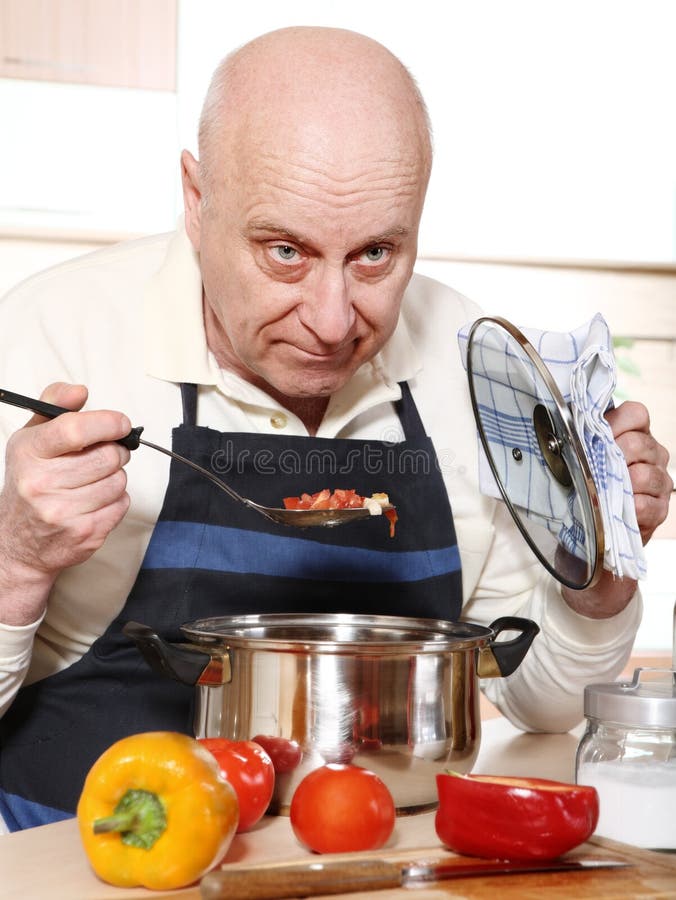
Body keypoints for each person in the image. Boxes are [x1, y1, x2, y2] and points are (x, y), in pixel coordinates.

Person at [0, 26, 671, 832]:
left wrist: (596, 574)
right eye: (285, 251)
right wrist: (16, 560)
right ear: (197, 201)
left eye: (376, 254)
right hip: (90, 858)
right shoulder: (50, 337)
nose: (331, 321)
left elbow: (541, 703)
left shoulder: (468, 367)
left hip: (391, 863)